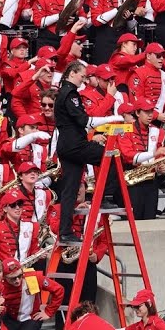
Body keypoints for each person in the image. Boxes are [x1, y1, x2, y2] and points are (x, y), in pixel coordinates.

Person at [54, 60, 107, 244]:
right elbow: (83, 120)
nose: (84, 80)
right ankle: (107, 196)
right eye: (82, 76)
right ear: (72, 74)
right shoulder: (70, 93)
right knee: (109, 156)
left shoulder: (62, 92)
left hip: (66, 145)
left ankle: (65, 231)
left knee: (70, 189)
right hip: (75, 144)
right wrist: (112, 118)